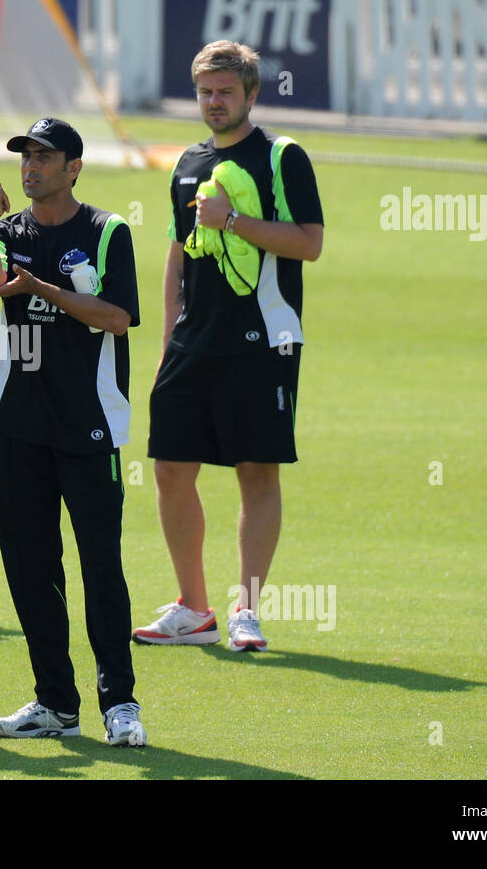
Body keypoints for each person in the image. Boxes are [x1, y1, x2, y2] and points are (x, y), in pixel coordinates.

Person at [133, 40, 324, 652]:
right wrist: (166, 341)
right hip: (194, 342)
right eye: (205, 92)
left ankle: (248, 608)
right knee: (169, 469)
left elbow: (309, 242)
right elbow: (174, 257)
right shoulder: (187, 161)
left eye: (225, 92)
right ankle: (193, 608)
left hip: (264, 339)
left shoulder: (282, 157)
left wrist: (234, 222)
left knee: (255, 470)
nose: (213, 103)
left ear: (251, 94)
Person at [0, 118, 146, 747]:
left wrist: (39, 286)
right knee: (30, 564)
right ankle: (55, 703)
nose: (31, 166)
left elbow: (118, 317)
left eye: (46, 157)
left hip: (89, 423)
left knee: (101, 565)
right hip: (17, 420)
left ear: (74, 167)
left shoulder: (106, 232)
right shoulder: (5, 230)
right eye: (25, 156)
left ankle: (119, 702)